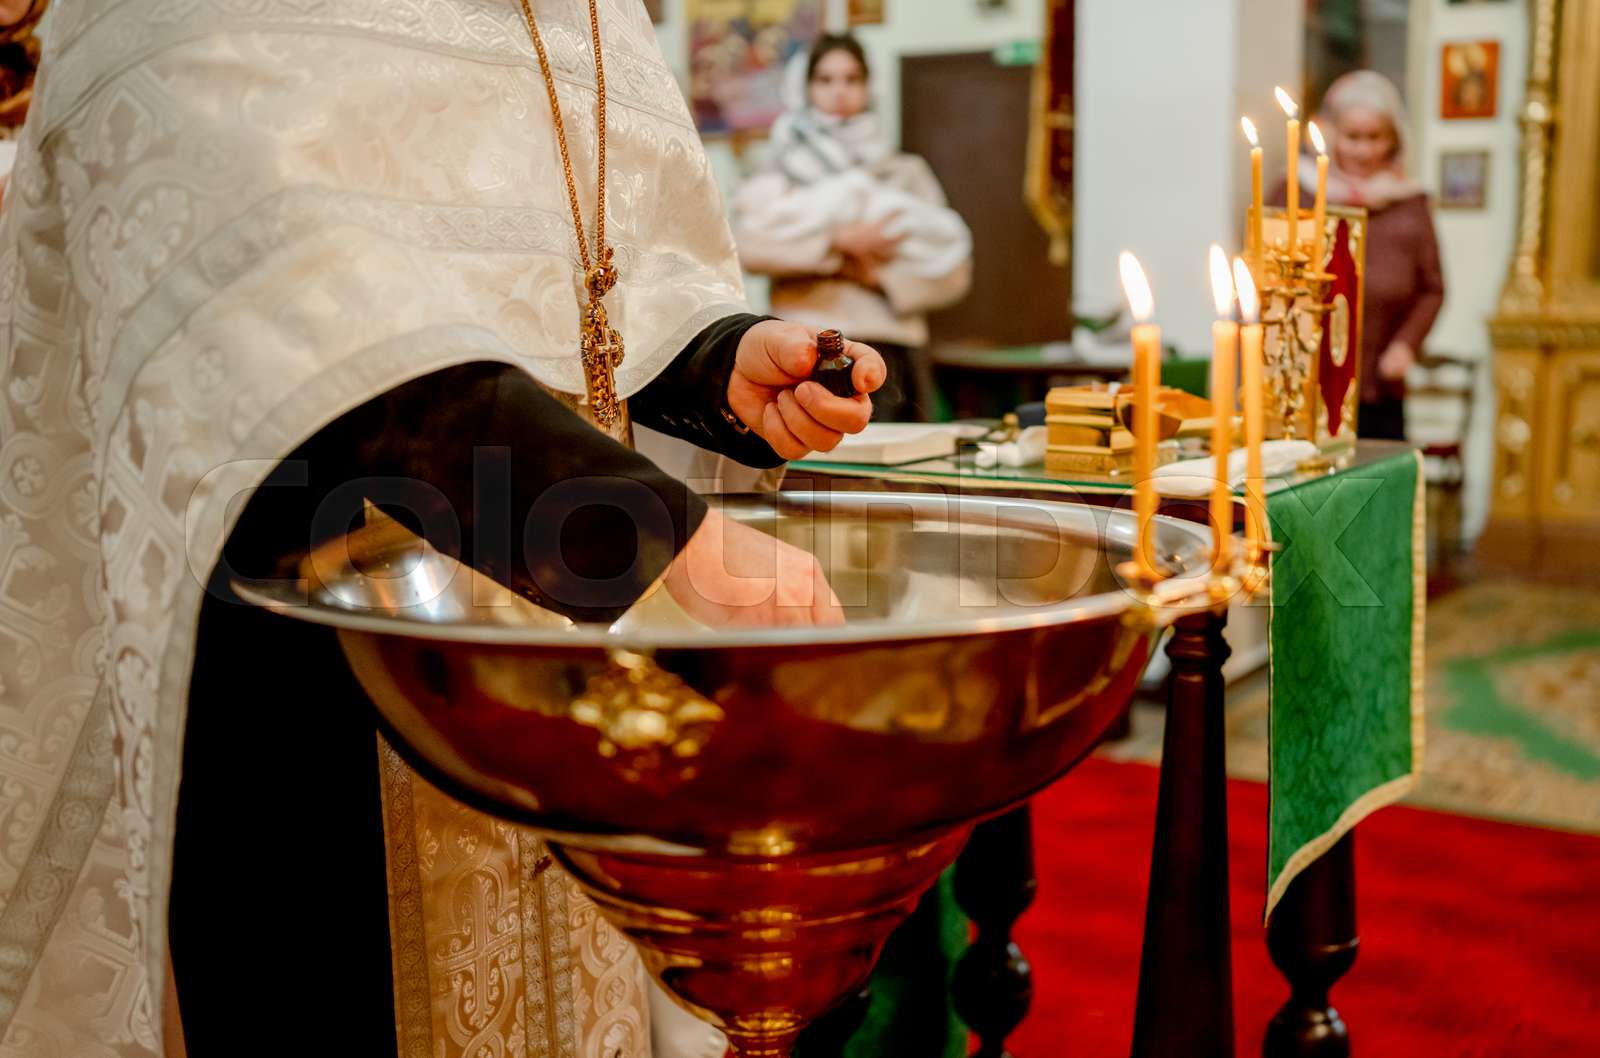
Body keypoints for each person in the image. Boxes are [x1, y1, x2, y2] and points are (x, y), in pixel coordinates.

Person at [0, 3, 885, 1057]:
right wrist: (647, 529)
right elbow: (285, 295)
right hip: (311, 672)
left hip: (562, 683)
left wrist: (711, 361)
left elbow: (600, 260)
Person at [734, 33, 972, 422]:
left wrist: (875, 277)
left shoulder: (904, 171)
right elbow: (746, 246)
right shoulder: (782, 168)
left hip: (892, 345)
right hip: (805, 342)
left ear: (867, 86)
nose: (839, 92)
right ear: (806, 87)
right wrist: (837, 247)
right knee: (810, 471)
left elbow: (953, 268)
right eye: (825, 80)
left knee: (898, 473)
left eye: (851, 79)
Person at [1275, 70, 1444, 440]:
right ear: (1332, 134)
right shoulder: (1296, 192)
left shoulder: (1411, 202)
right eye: (1353, 137)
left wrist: (1405, 345)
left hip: (1379, 384)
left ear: (1393, 138)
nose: (1364, 150)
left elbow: (1433, 288)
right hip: (1306, 377)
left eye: (1375, 137)